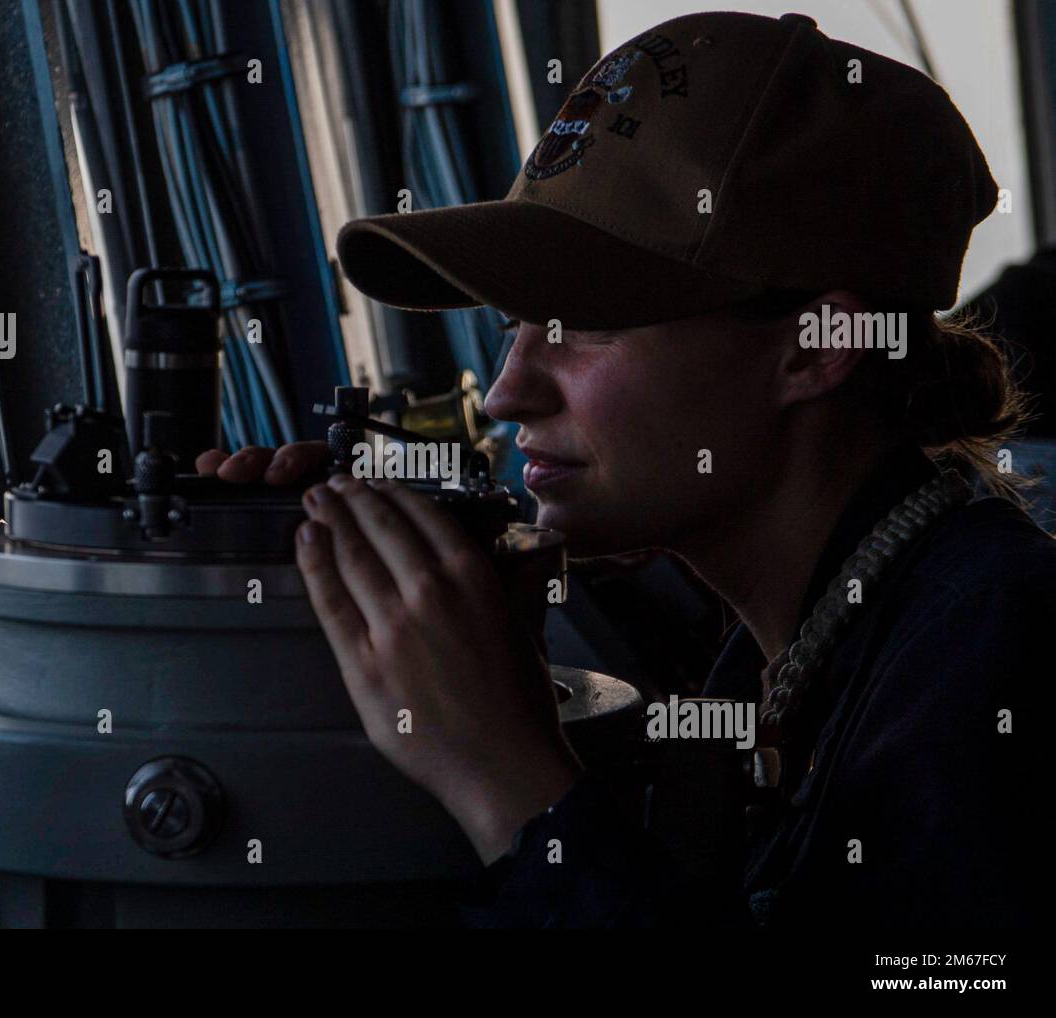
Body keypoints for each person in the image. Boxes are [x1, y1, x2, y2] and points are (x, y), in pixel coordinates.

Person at [196, 11, 1052, 926]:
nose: (505, 393)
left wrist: (508, 781)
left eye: (582, 327)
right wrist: (306, 624)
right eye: (509, 328)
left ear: (814, 348)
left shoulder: (1004, 664)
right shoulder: (776, 649)